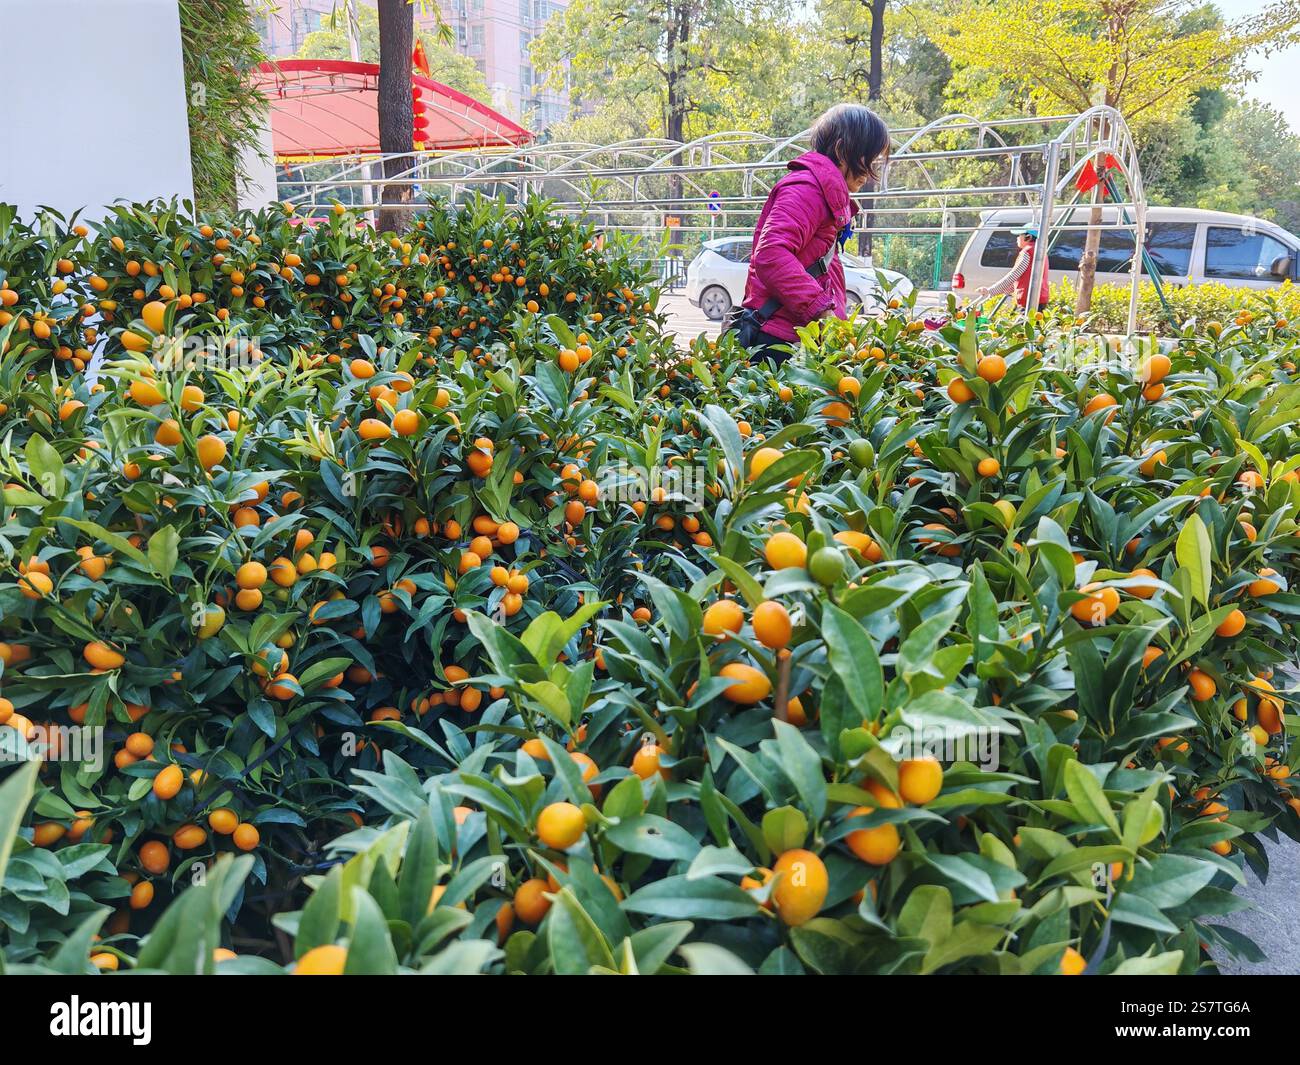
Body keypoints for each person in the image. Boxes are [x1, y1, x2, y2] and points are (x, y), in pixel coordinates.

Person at [731, 103, 891, 366]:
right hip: (776, 341)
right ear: (842, 150)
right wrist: (822, 310)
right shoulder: (806, 189)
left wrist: (837, 319)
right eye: (867, 157)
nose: (870, 171)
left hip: (792, 336)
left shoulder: (827, 195)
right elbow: (771, 254)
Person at [976, 224, 1050, 311]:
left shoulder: (1027, 252)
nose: (1017, 238)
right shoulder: (1040, 251)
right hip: (1041, 297)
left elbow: (1014, 275)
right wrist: (1006, 290)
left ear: (1028, 237)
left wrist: (991, 291)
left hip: (1029, 299)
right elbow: (1024, 276)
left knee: (1025, 323)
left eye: (1019, 235)